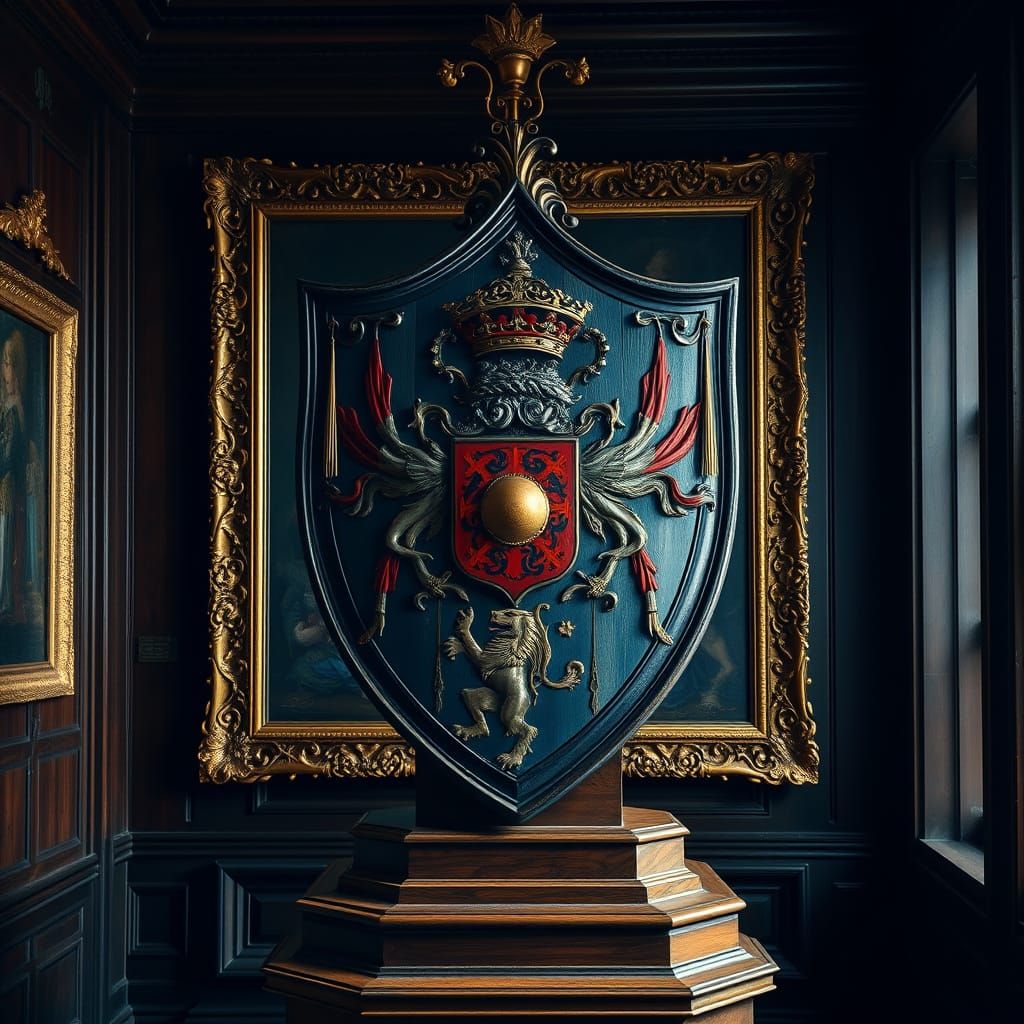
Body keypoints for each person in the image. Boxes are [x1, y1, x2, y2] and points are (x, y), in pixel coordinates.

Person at [0, 328, 27, 629]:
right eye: (4, 362)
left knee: (5, 543)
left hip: (7, 486)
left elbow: (11, 453)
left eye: (9, 363)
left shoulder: (16, 407)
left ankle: (5, 600)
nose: (6, 369)